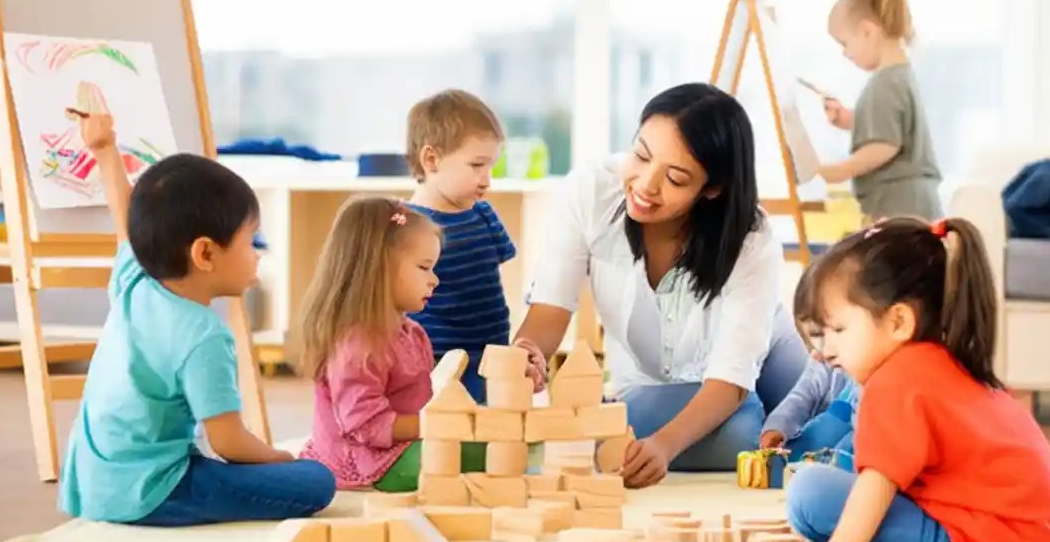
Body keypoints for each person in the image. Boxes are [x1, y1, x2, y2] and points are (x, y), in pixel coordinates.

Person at [515, 82, 810, 488]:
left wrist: (665, 447)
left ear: (712, 189)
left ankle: (767, 428)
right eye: (641, 154)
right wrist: (527, 356)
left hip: (759, 364)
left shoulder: (749, 237)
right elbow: (549, 309)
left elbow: (731, 378)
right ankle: (760, 429)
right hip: (653, 385)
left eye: (674, 178)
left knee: (794, 427)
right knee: (717, 432)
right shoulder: (591, 192)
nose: (645, 185)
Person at [59, 112, 335, 527]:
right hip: (154, 491)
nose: (257, 253)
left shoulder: (136, 280)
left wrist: (105, 151)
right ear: (205, 253)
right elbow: (227, 442)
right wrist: (277, 457)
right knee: (316, 480)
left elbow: (124, 217)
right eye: (250, 240)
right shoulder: (204, 336)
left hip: (94, 484)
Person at [786, 217, 1050, 542]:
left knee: (810, 494)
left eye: (838, 330)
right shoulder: (943, 360)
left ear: (899, 321)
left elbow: (877, 484)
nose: (825, 350)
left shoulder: (896, 380)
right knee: (838, 480)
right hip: (1037, 537)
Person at [297, 197, 545, 490]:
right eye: (425, 267)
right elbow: (365, 426)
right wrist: (439, 424)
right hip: (371, 460)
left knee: (515, 436)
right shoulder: (358, 345)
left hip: (404, 444)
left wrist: (514, 378)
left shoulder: (411, 333)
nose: (435, 280)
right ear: (378, 267)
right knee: (486, 449)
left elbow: (425, 395)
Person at [404, 89, 545, 403]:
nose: (487, 180)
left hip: (490, 359)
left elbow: (493, 283)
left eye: (491, 167)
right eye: (477, 165)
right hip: (435, 366)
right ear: (431, 159)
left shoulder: (483, 214)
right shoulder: (405, 226)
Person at [816, 0, 943, 221]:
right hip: (914, 204)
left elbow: (885, 145)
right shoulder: (900, 75)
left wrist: (838, 171)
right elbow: (894, 127)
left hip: (902, 208)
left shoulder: (884, 83)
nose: (845, 53)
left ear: (867, 31)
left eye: (845, 43)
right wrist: (852, 120)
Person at [758, 258, 859, 469]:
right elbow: (802, 396)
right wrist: (777, 427)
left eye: (837, 332)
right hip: (819, 442)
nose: (823, 351)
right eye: (815, 337)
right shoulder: (822, 361)